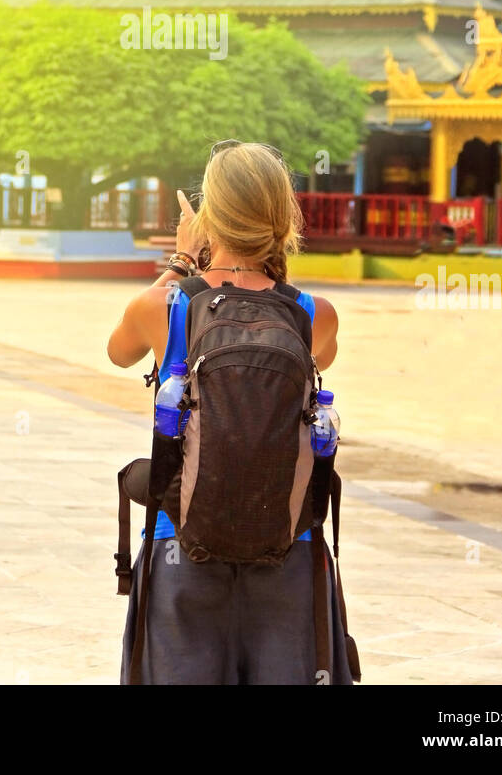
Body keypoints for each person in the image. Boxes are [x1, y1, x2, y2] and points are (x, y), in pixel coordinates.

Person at [107, 140, 346, 686]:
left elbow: (118, 352)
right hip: (289, 551)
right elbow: (322, 359)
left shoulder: (162, 308)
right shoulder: (314, 315)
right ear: (284, 219)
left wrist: (185, 261)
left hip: (180, 545)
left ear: (207, 215)